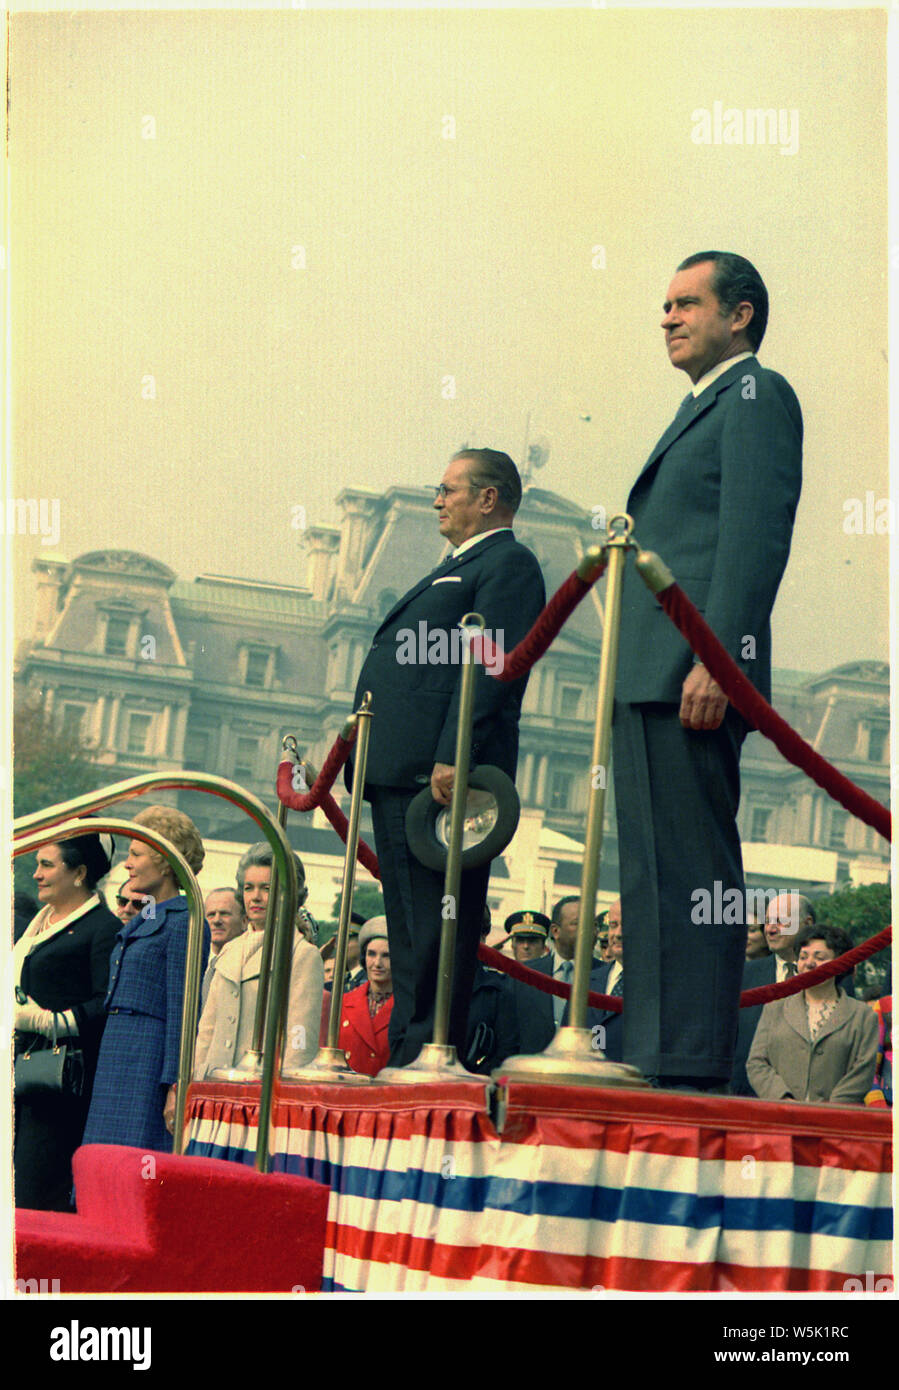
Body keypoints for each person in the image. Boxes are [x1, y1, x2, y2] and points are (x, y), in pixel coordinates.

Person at [612, 252, 803, 1090]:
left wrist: (716, 663)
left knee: (692, 872)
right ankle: (652, 1052)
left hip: (692, 671)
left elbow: (754, 539)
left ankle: (688, 1060)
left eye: (687, 303)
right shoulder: (700, 407)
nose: (666, 318)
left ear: (742, 314)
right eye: (663, 304)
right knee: (650, 875)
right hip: (647, 672)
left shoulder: (757, 398)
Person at [348, 448, 545, 1066]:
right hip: (399, 771)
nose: (437, 500)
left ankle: (428, 1052)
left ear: (489, 498)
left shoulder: (508, 564)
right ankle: (410, 1051)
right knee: (408, 925)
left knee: (437, 926)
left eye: (448, 488)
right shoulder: (457, 564)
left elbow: (490, 669)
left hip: (436, 778)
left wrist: (454, 752)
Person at [82, 806, 209, 1153]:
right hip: (117, 1049)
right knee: (103, 1158)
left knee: (135, 1158)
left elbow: (183, 1010)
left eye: (136, 854)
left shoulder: (186, 920)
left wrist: (175, 1084)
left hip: (147, 1060)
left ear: (166, 861)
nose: (127, 863)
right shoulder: (150, 914)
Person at [13, 832, 120, 1209]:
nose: (36, 875)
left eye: (47, 865)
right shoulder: (38, 923)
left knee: (32, 1187)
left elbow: (105, 1003)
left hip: (56, 1081)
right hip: (20, 1073)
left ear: (79, 873)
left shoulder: (102, 927)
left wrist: (49, 1021)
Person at [194, 843, 323, 1078]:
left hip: (261, 1092)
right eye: (248, 888)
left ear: (289, 892)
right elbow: (206, 1031)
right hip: (213, 1088)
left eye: (266, 888)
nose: (255, 897)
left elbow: (300, 1036)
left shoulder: (301, 954)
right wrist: (196, 1079)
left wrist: (282, 1092)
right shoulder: (229, 950)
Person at [747, 925, 878, 1104]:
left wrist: (830, 1109)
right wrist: (783, 1098)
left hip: (837, 1120)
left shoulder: (862, 1015)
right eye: (803, 957)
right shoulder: (774, 1009)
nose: (809, 963)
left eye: (820, 957)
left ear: (841, 964)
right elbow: (756, 1063)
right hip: (781, 1115)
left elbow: (862, 1071)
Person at [338, 918, 394, 1077]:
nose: (377, 963)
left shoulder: (408, 1008)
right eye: (371, 954)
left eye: (386, 956)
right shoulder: (344, 1003)